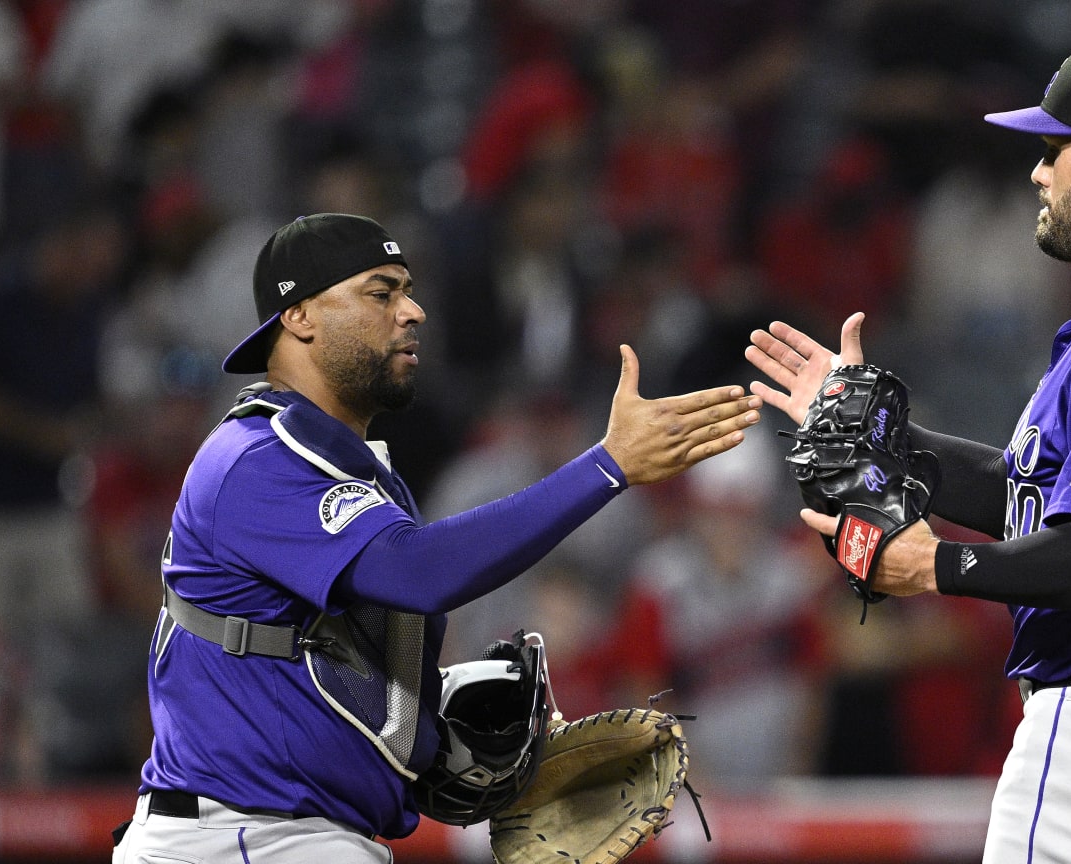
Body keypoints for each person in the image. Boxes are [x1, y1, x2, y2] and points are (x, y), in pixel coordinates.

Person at [746, 44, 1071, 863]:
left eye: (1051, 150)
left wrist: (935, 566)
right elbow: (1041, 493)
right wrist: (888, 439)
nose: (1037, 173)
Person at [111, 212, 761, 862]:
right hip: (244, 839)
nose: (413, 310)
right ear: (301, 316)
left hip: (280, 836)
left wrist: (435, 743)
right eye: (380, 291)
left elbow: (326, 674)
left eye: (408, 289)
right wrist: (605, 467)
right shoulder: (256, 460)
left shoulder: (362, 480)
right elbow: (418, 572)